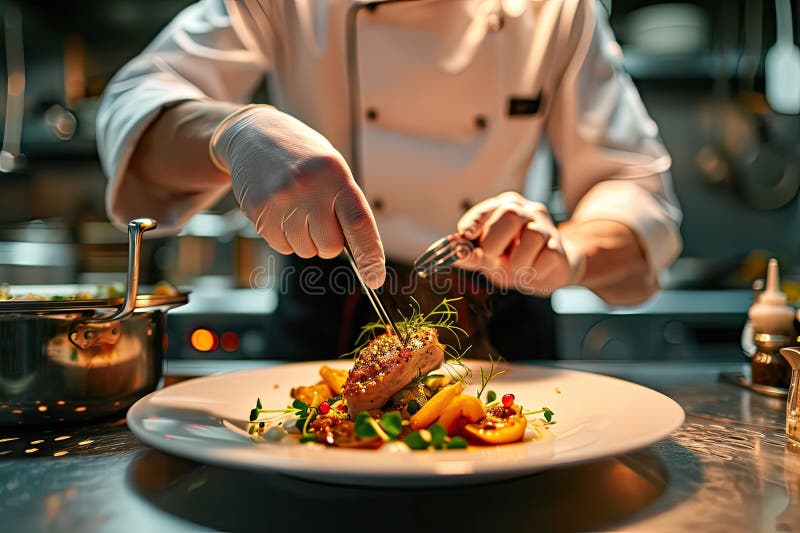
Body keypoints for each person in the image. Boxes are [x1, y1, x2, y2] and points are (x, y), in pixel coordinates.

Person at [97, 0, 682, 360]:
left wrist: (566, 253)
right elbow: (135, 101)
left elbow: (637, 191)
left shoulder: (558, 8)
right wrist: (235, 132)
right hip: (327, 316)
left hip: (506, 322)